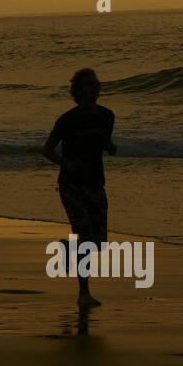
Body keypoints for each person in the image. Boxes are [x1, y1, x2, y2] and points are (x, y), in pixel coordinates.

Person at [42, 68, 117, 307]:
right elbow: (47, 150)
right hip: (71, 185)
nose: (92, 88)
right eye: (87, 85)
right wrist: (66, 164)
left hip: (96, 182)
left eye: (95, 84)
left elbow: (105, 142)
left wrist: (110, 147)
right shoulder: (67, 120)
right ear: (78, 91)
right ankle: (83, 293)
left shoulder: (107, 116)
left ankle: (68, 247)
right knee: (85, 238)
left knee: (99, 244)